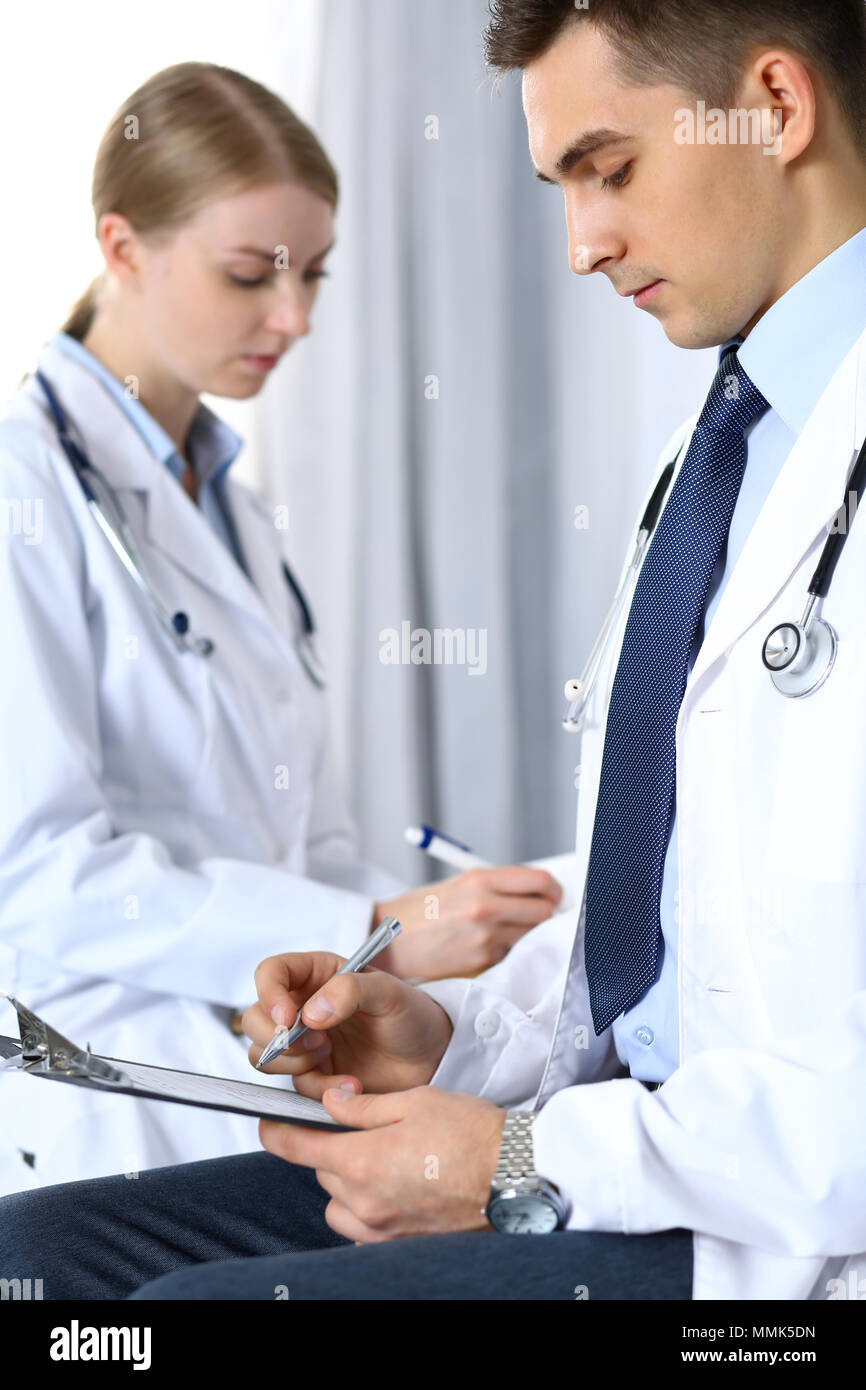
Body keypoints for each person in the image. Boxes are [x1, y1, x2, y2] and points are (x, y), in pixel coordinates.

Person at [4, 0, 865, 1302]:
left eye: (608, 167)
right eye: (252, 272)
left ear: (775, 106)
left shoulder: (772, 438)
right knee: (38, 1257)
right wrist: (437, 1020)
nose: (581, 245)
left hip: (754, 1215)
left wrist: (517, 1139)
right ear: (119, 249)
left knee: (162, 1322)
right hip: (632, 1138)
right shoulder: (728, 450)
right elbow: (703, 900)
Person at [0, 60, 563, 1199]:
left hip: (250, 1071)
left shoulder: (234, 510)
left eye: (311, 274)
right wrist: (374, 927)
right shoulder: (24, 489)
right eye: (251, 273)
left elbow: (296, 839)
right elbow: (36, 874)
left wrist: (417, 934)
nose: (294, 317)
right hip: (97, 1107)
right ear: (122, 247)